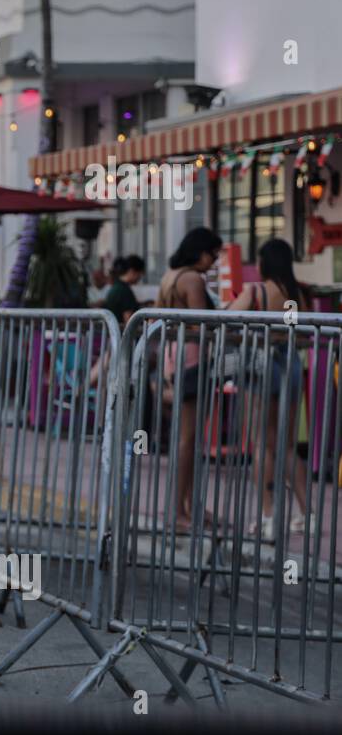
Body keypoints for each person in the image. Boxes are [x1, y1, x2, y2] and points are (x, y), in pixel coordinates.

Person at [226, 238, 311, 539]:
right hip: (290, 365)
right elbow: (306, 337)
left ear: (264, 263)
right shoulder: (298, 293)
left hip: (260, 366)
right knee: (287, 445)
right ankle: (306, 514)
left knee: (262, 443)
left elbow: (226, 320)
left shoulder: (256, 291)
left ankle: (269, 517)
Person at [155, 227, 223, 533]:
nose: (215, 260)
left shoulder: (170, 275)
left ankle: (186, 506)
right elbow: (202, 322)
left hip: (175, 355)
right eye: (213, 253)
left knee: (187, 438)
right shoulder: (193, 279)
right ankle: (177, 512)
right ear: (200, 251)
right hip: (193, 358)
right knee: (188, 438)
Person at [102, 254, 145, 325]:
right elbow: (129, 320)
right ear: (132, 271)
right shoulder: (125, 291)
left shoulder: (116, 286)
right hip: (121, 333)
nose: (139, 278)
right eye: (140, 274)